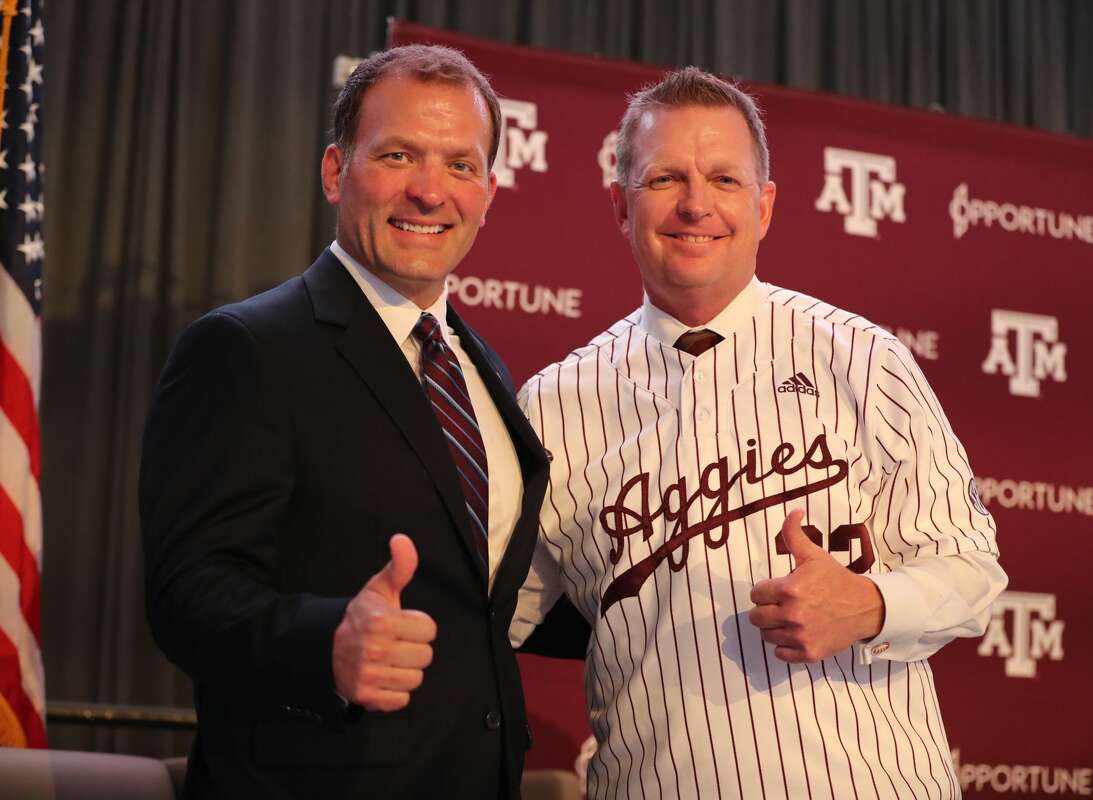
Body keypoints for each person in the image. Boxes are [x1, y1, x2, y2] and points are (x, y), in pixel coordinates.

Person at [510, 67, 1009, 798]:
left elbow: (972, 571)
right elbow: (499, 613)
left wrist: (871, 606)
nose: (696, 205)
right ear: (620, 204)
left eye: (724, 179)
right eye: (664, 179)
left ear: (764, 206)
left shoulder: (863, 358)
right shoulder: (554, 404)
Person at [141, 45, 548, 799]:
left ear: (489, 191)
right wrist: (326, 641)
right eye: (398, 155)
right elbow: (187, 594)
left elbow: (484, 595)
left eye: (461, 165)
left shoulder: (481, 366)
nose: (430, 191)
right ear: (336, 171)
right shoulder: (246, 348)